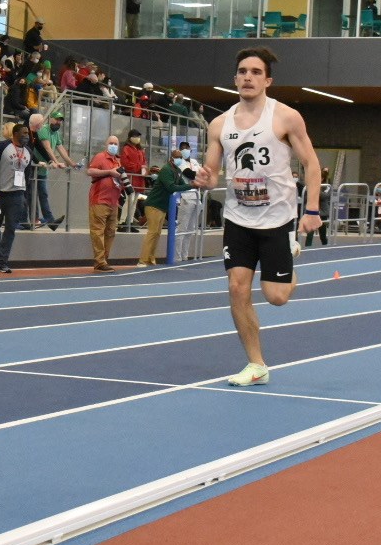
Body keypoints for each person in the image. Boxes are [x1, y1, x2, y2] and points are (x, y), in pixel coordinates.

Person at [200, 47, 323, 387]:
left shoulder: (285, 117)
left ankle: (288, 253)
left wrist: (312, 210)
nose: (248, 77)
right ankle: (256, 364)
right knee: (237, 287)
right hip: (238, 218)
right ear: (235, 79)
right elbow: (211, 173)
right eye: (242, 71)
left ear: (267, 80)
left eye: (255, 72)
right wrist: (203, 178)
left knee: (276, 298)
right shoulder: (219, 124)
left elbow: (311, 164)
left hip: (277, 219)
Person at [0, 121, 31, 273]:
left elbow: (27, 175)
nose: (27, 136)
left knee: (11, 228)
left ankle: (3, 261)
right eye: (24, 133)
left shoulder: (28, 152)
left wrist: (24, 195)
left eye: (28, 133)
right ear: (15, 133)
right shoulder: (2, 146)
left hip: (17, 195)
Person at [138, 149, 189, 266]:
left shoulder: (177, 171)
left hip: (162, 207)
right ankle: (143, 260)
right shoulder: (166, 170)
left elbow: (181, 184)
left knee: (157, 233)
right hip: (154, 205)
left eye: (181, 157)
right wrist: (190, 185)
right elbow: (171, 187)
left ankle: (150, 259)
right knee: (152, 233)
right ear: (171, 158)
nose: (179, 159)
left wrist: (192, 185)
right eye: (177, 157)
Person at [86, 134, 124, 271]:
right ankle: (100, 261)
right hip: (100, 199)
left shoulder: (117, 161)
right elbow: (90, 171)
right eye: (111, 143)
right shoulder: (100, 157)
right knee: (98, 231)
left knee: (110, 232)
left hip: (114, 201)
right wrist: (109, 172)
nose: (113, 146)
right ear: (106, 144)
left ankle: (104, 259)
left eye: (116, 144)